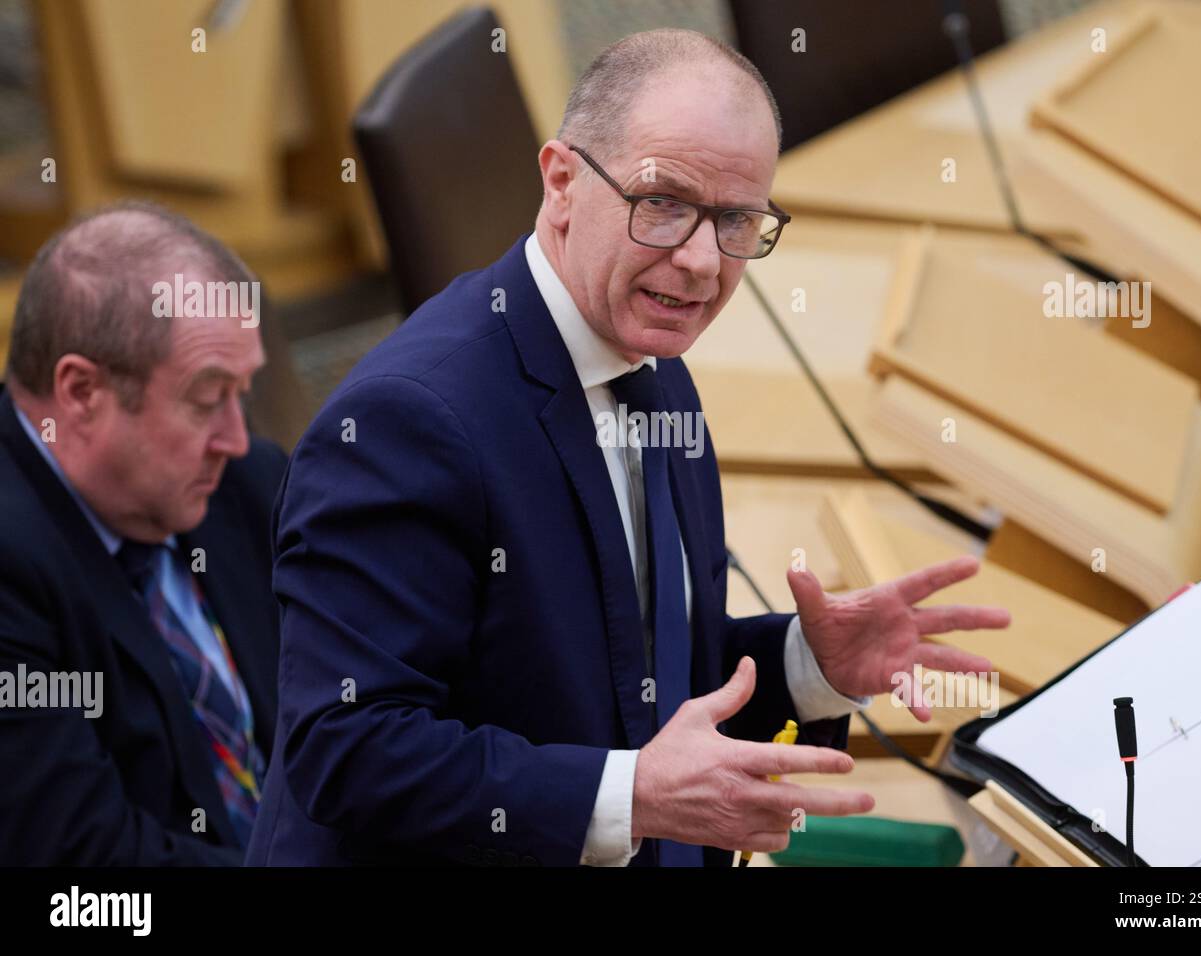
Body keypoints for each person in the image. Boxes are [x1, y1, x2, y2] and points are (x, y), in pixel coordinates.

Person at [248, 29, 1008, 867]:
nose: (698, 263)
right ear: (563, 181)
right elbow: (346, 749)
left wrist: (803, 663)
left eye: (736, 221)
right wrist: (632, 795)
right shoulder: (407, 423)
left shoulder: (649, 359)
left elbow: (629, 675)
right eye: (664, 204)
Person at [0, 202, 285, 864]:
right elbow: (84, 867)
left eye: (242, 393)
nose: (236, 438)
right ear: (81, 393)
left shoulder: (241, 483)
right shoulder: (13, 567)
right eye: (206, 399)